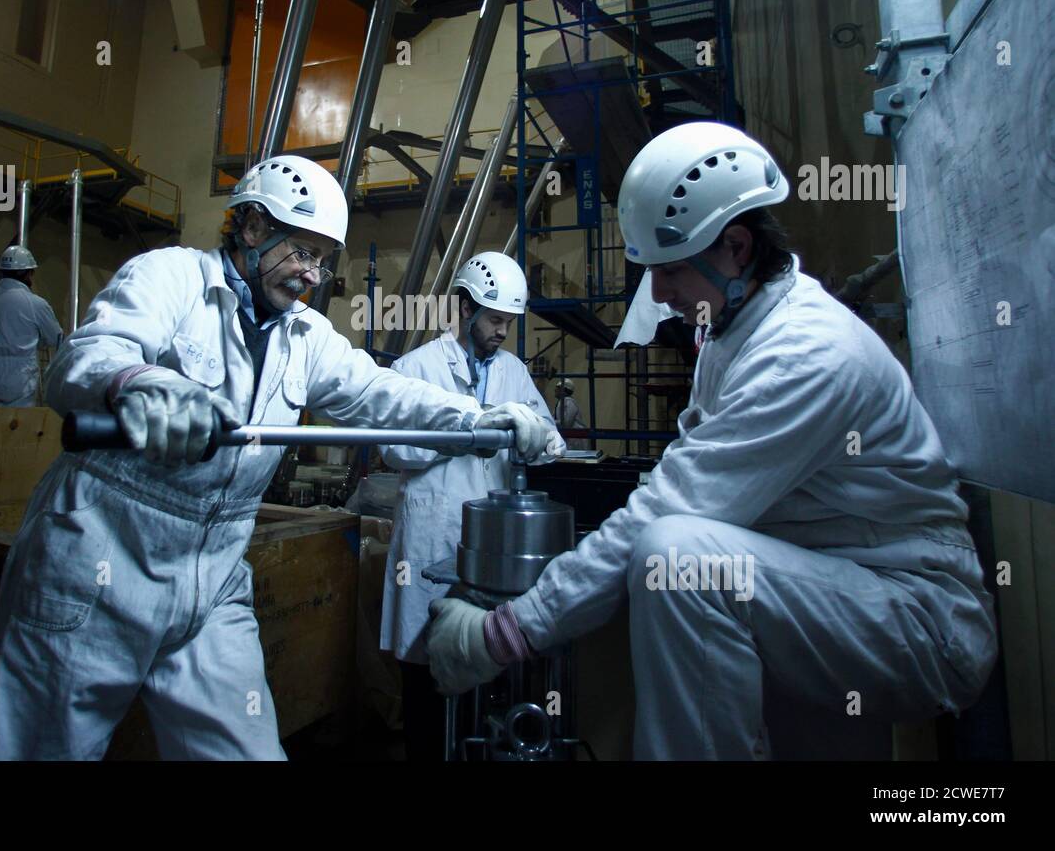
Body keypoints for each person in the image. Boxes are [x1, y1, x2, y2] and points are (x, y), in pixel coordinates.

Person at [426, 122, 998, 759]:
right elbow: (687, 470)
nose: (659, 294)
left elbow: (676, 506)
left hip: (916, 615)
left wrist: (505, 634)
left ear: (736, 247)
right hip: (827, 589)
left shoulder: (804, 354)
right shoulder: (731, 333)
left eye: (668, 271)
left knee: (678, 558)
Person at [0, 154, 552, 760]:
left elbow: (381, 391)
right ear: (252, 228)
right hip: (102, 556)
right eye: (301, 253)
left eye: (322, 262)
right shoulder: (171, 277)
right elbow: (82, 360)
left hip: (214, 577)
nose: (311, 275)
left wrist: (477, 419)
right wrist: (141, 383)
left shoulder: (304, 334)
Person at [378, 251, 564, 760]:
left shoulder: (513, 372)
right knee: (424, 668)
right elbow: (392, 449)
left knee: (485, 661)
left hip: (492, 546)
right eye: (496, 319)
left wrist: (537, 439)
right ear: (464, 307)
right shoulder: (416, 367)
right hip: (429, 533)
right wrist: (465, 436)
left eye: (510, 321)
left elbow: (551, 439)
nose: (504, 331)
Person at [0, 245, 63, 406]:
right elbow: (55, 338)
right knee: (14, 428)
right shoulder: (35, 303)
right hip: (15, 379)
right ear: (28, 273)